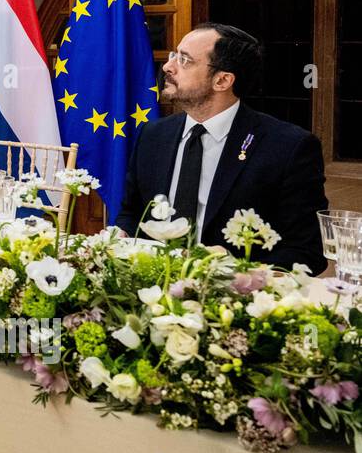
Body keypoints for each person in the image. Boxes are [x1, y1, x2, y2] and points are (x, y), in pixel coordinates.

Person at [116, 22, 327, 273]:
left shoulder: (288, 147)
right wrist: (122, 234)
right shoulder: (153, 135)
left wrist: (232, 265)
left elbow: (307, 252)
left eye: (184, 60)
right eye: (174, 55)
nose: (167, 66)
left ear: (222, 80)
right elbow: (131, 212)